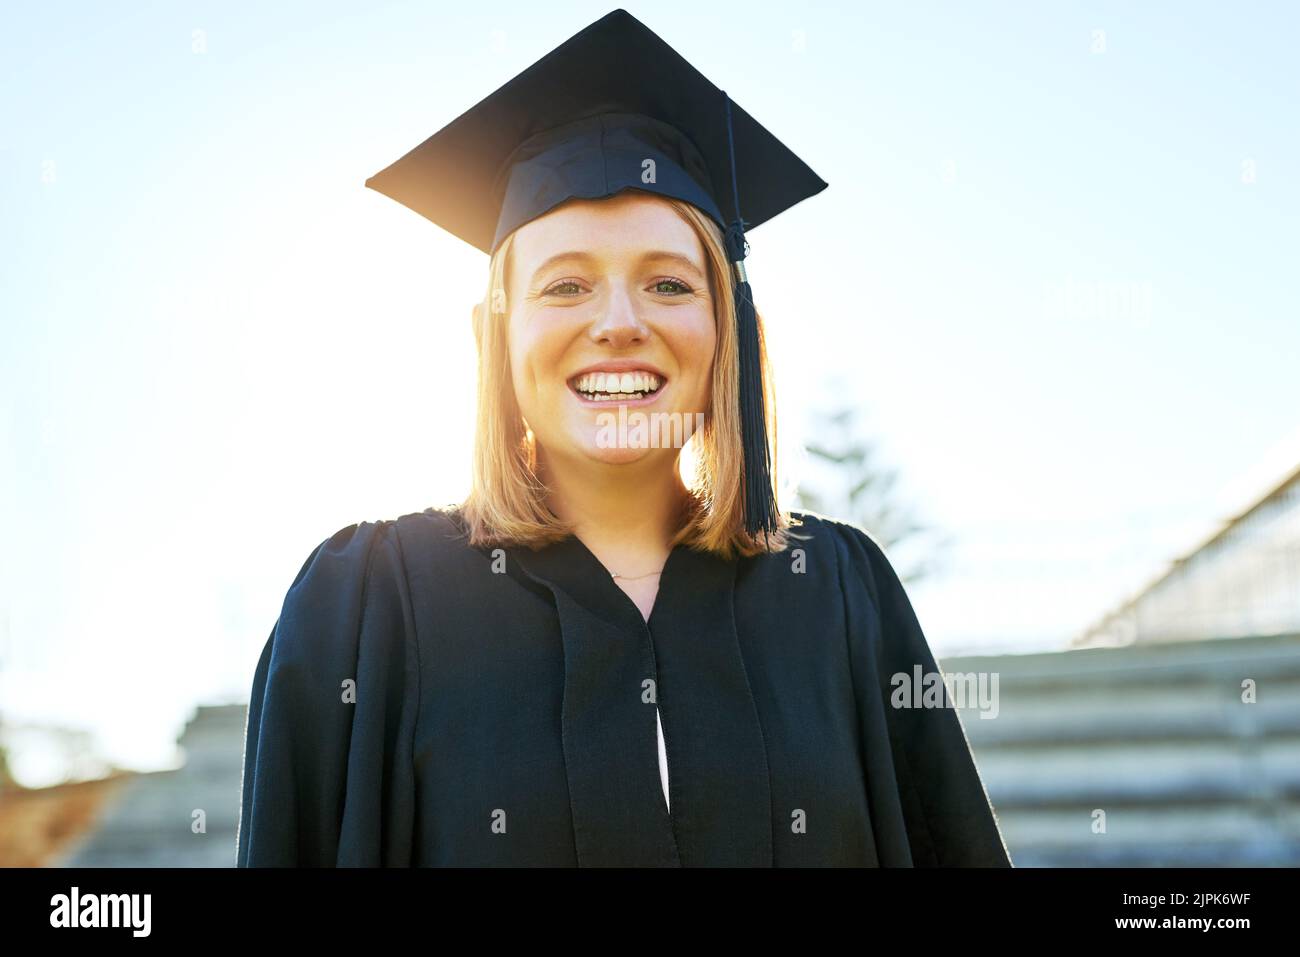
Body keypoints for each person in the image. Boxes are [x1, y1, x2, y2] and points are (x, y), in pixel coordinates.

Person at [236, 8, 1011, 867]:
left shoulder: (839, 594)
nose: (618, 322)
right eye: (565, 285)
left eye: (670, 283)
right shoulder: (364, 609)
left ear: (731, 329)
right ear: (494, 338)